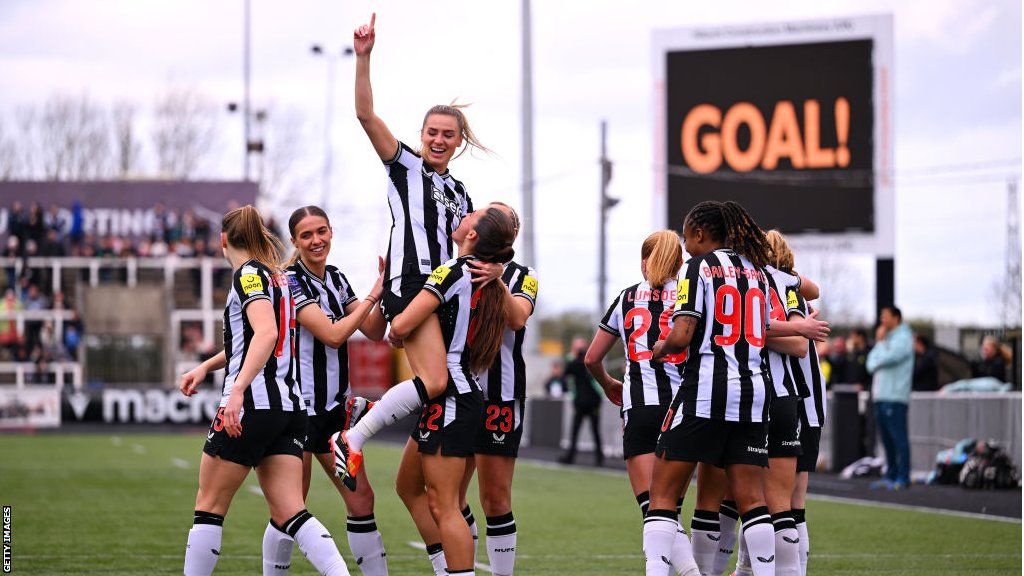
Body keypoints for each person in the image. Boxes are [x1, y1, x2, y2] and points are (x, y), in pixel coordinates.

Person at [334, 13, 502, 476]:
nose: (438, 140)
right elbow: (366, 116)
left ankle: (370, 427)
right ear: (422, 134)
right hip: (413, 283)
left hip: (445, 291)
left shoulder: (464, 193)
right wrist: (363, 58)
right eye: (432, 132)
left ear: (460, 140)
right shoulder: (405, 166)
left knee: (441, 384)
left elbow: (478, 247)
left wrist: (497, 271)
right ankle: (353, 434)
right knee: (434, 378)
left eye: (448, 134)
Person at [642, 201, 829, 576]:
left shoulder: (698, 268)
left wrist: (661, 348)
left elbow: (681, 335)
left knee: (662, 497)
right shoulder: (758, 272)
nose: (685, 246)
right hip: (756, 395)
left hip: (706, 392)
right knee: (753, 501)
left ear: (698, 234)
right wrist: (802, 328)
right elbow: (765, 325)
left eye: (686, 236)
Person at [344, 205, 518, 576]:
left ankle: (355, 435)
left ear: (472, 235)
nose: (466, 214)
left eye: (475, 215)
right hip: (454, 395)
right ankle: (446, 568)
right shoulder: (474, 273)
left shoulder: (455, 270)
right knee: (409, 487)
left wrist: (397, 300)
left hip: (454, 397)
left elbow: (402, 324)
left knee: (446, 505)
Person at [178, 205, 352, 576]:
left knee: (208, 506)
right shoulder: (280, 277)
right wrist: (206, 366)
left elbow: (266, 334)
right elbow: (255, 340)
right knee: (291, 511)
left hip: (253, 404)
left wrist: (238, 389)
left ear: (223, 240)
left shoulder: (248, 275)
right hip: (290, 409)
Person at [258, 206, 390, 576]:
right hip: (296, 413)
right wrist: (373, 293)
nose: (316, 241)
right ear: (295, 242)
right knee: (289, 507)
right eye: (306, 235)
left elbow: (375, 331)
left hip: (334, 415)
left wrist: (388, 289)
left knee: (362, 499)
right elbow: (332, 335)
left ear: (331, 232)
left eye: (321, 232)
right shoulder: (289, 281)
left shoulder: (336, 278)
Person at [585, 229, 698, 576]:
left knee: (654, 510)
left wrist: (608, 384)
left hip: (640, 407)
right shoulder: (690, 296)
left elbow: (591, 358)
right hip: (683, 409)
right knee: (671, 511)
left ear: (643, 262)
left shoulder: (626, 298)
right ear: (680, 262)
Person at [866, 305, 914, 490]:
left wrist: (880, 345)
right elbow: (870, 364)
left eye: (885, 316)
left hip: (895, 396)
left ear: (896, 317)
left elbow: (890, 357)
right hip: (880, 396)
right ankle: (891, 475)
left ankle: (903, 477)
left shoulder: (904, 337)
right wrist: (881, 345)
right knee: (886, 439)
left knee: (898, 438)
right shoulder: (885, 339)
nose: (882, 320)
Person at [559, 336, 605, 466]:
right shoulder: (581, 362)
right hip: (585, 401)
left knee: (590, 430)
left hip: (588, 401)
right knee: (582, 430)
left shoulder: (585, 362)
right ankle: (577, 456)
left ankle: (597, 458)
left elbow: (565, 377)